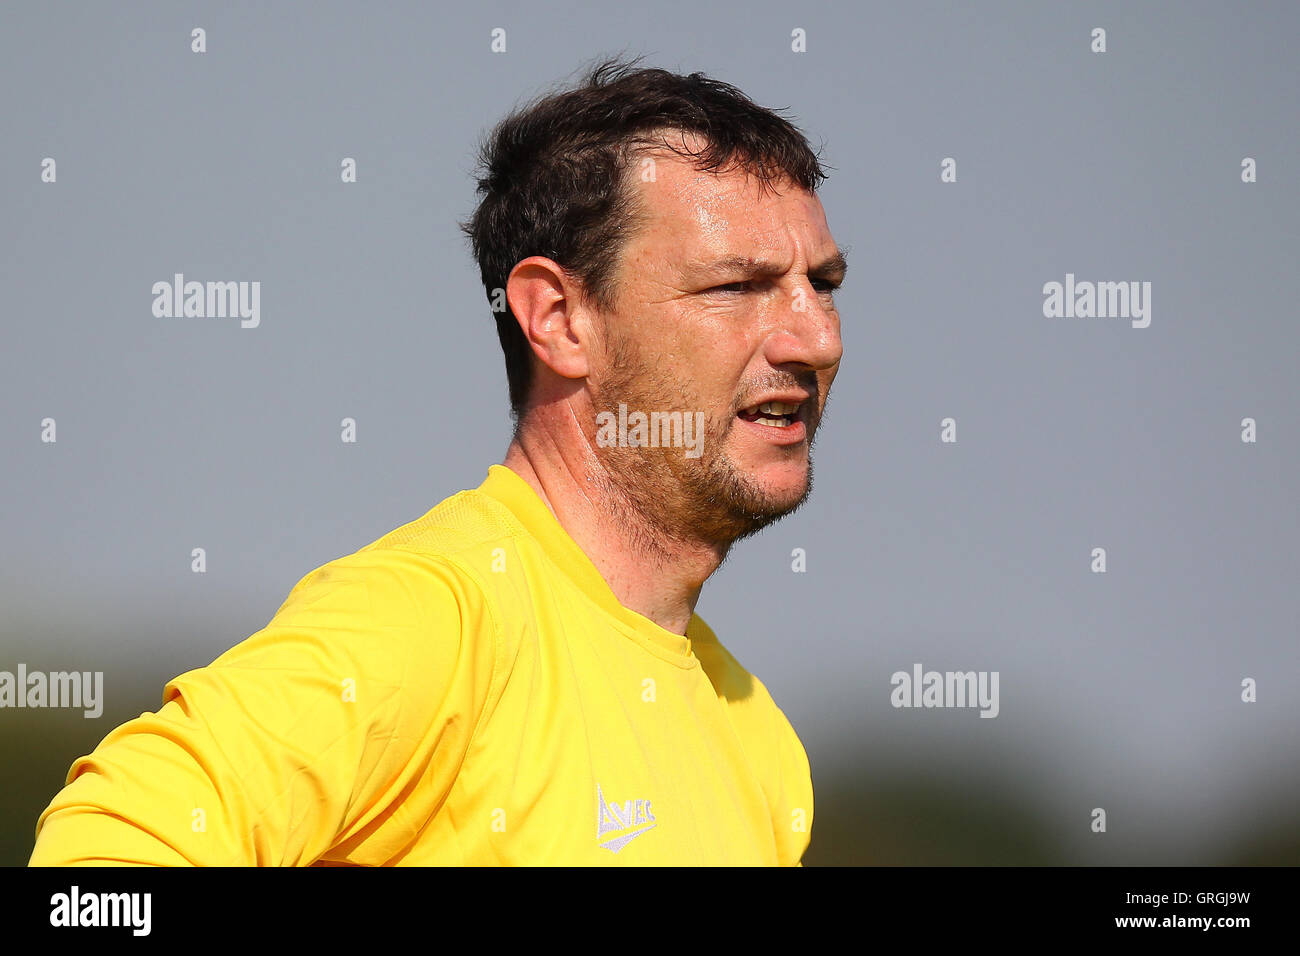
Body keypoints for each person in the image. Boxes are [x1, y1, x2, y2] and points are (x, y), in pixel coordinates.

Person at [29, 54, 846, 866]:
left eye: (823, 283)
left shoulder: (758, 737)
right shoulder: (432, 617)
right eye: (738, 287)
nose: (816, 338)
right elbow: (107, 850)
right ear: (559, 319)